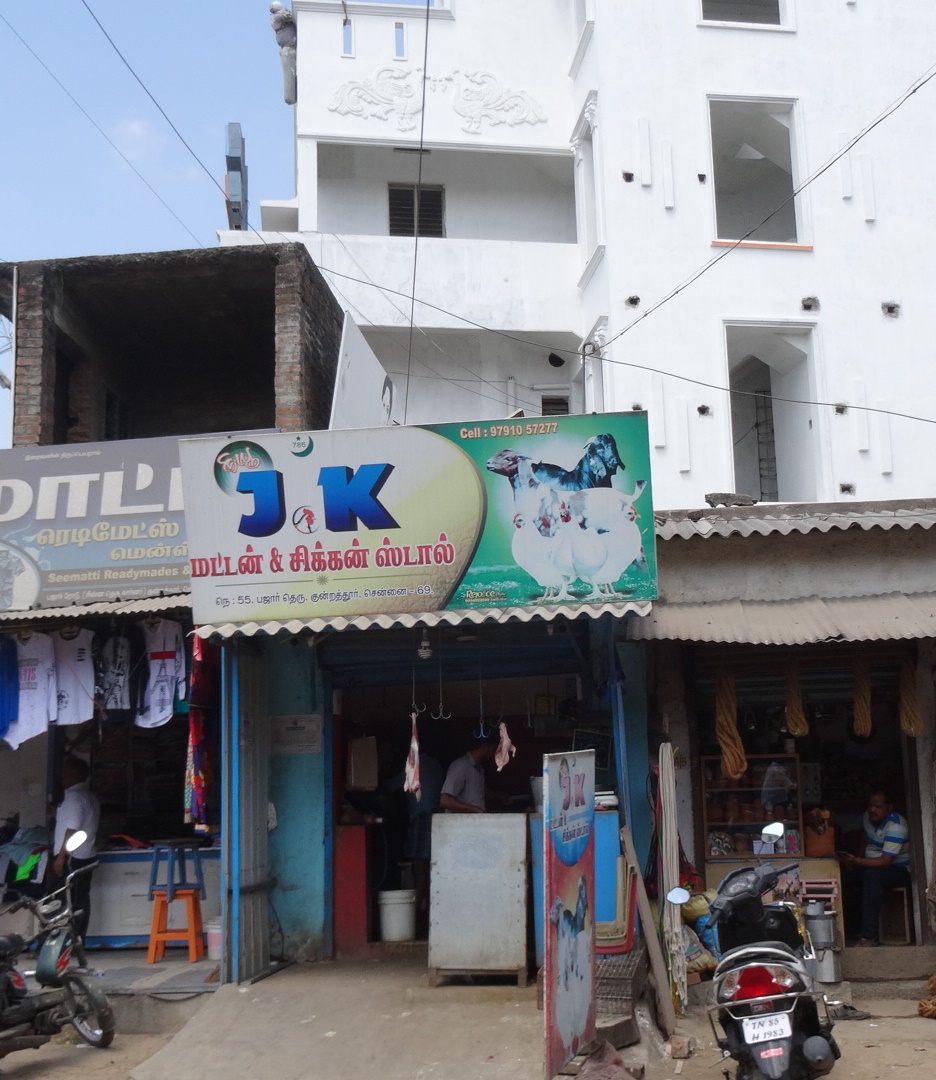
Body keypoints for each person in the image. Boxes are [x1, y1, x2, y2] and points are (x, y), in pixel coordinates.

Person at [836, 789, 911, 947]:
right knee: (843, 876)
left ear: (889, 807)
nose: (872, 810)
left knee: (873, 876)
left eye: (877, 806)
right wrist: (854, 860)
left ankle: (869, 937)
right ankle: (850, 930)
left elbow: (885, 861)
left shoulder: (896, 826)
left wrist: (857, 861)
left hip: (899, 870)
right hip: (869, 864)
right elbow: (865, 837)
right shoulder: (867, 817)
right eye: (870, 805)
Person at [53, 756, 101, 946]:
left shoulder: (73, 797)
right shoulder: (89, 796)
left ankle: (68, 942)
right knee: (80, 899)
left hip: (72, 857)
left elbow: (71, 829)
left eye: (65, 772)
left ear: (73, 774)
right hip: (86, 855)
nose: (62, 776)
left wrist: (60, 858)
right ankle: (77, 940)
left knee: (65, 900)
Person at [440, 741, 497, 814]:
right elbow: (445, 801)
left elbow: (477, 793)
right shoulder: (461, 766)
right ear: (484, 746)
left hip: (473, 822)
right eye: (493, 748)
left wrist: (500, 796)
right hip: (459, 823)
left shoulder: (479, 768)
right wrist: (476, 810)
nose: (495, 753)